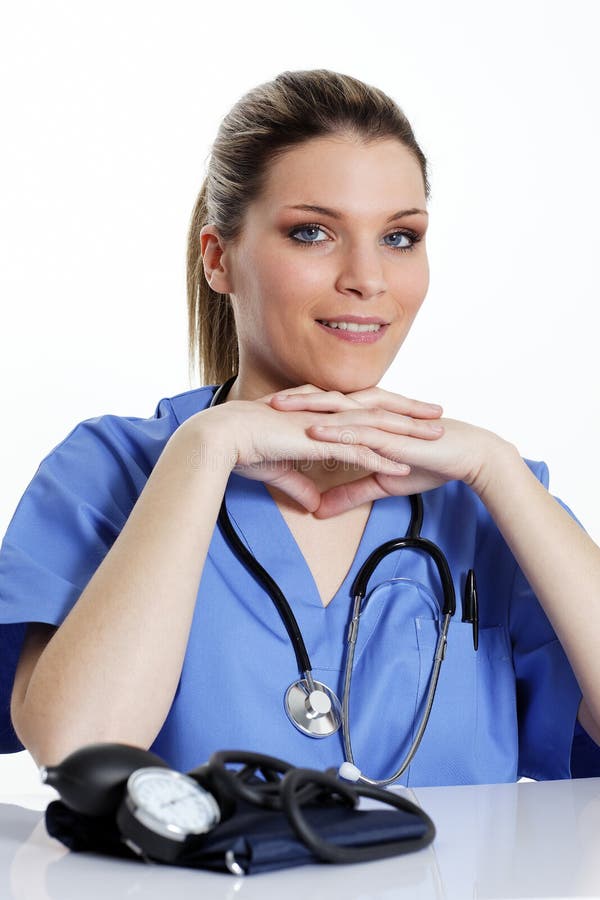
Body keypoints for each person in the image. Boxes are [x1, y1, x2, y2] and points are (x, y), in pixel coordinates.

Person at [1, 69, 599, 787]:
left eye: (401, 237)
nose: (368, 278)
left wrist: (498, 470)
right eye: (313, 233)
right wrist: (208, 448)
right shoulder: (110, 471)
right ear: (219, 258)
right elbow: (78, 751)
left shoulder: (488, 499)